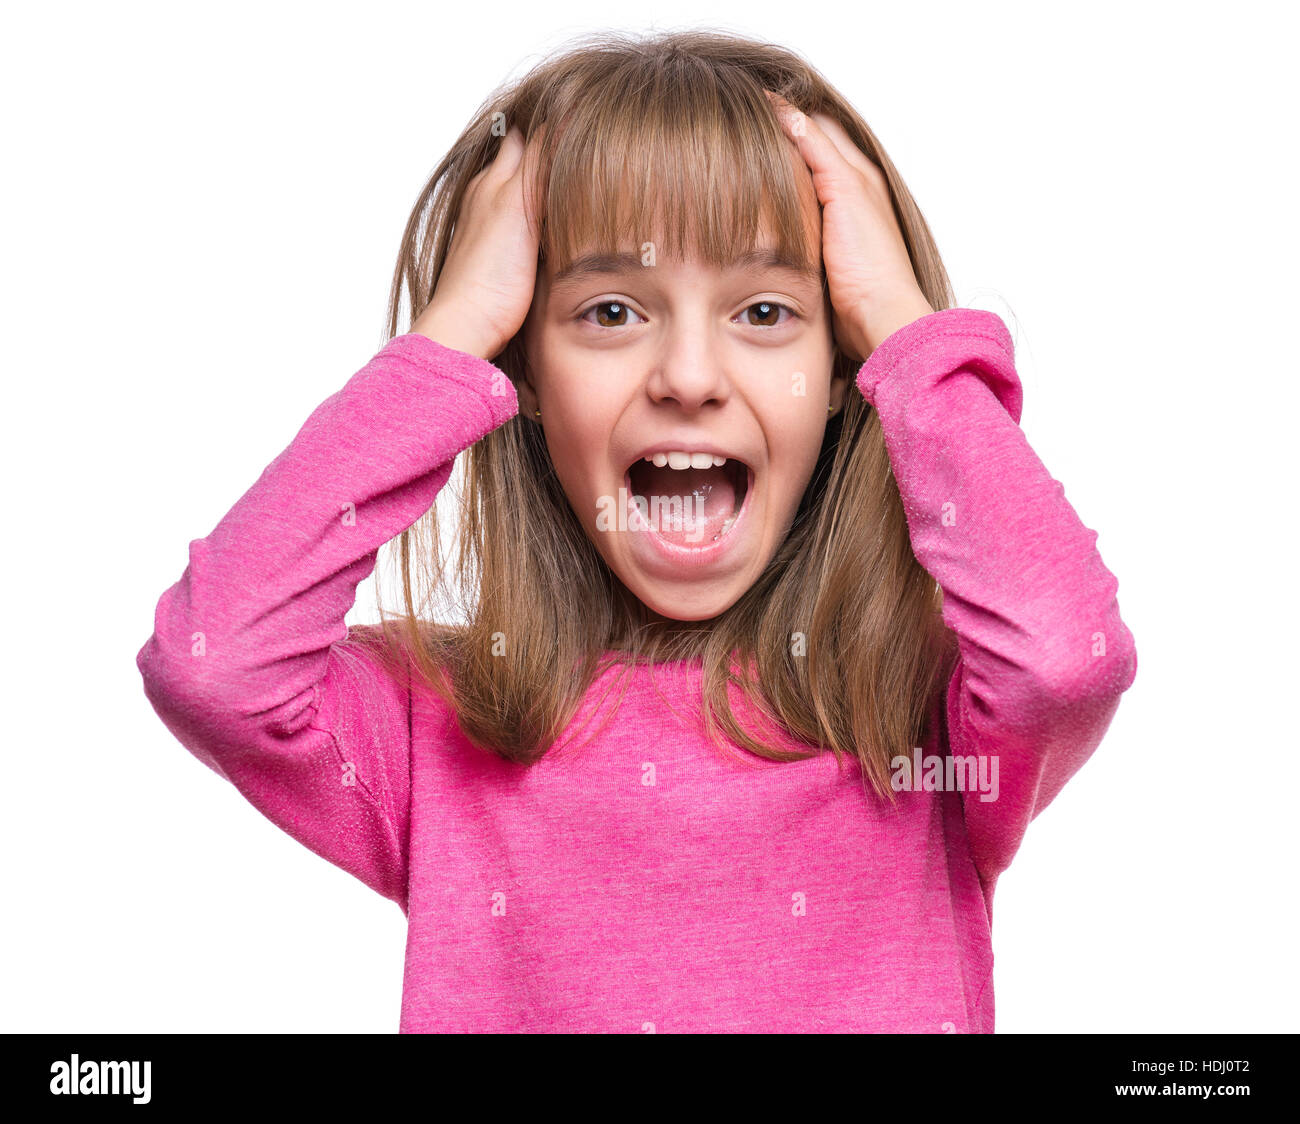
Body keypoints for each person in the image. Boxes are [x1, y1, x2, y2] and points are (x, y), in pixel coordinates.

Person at [137, 28, 1137, 1032]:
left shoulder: (926, 723)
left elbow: (1062, 656)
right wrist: (447, 337)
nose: (690, 377)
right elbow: (215, 664)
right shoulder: (435, 728)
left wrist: (906, 333)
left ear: (844, 371)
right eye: (611, 312)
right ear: (522, 368)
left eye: (763, 311)